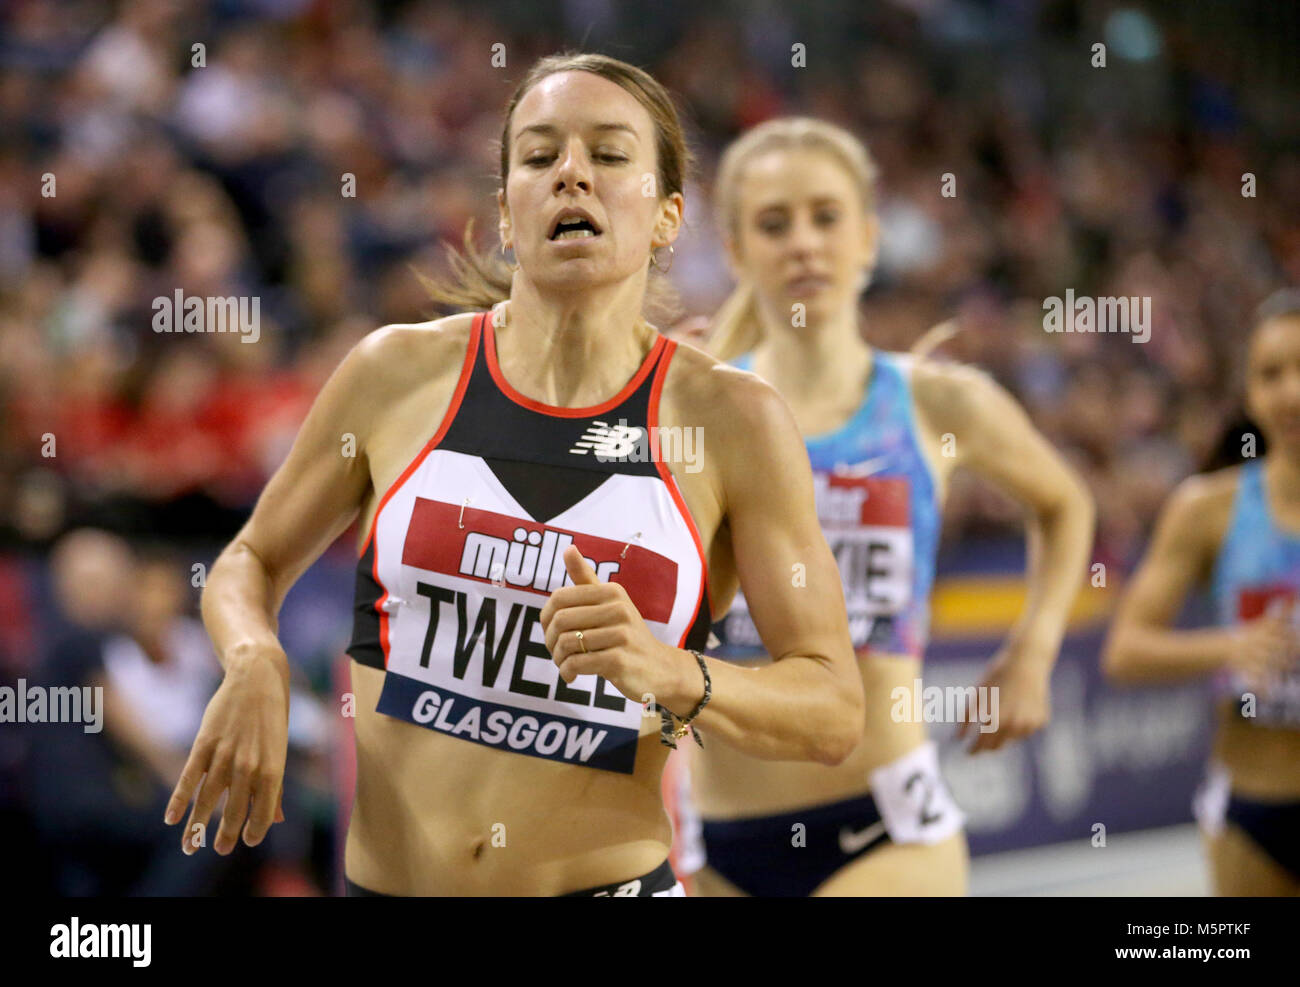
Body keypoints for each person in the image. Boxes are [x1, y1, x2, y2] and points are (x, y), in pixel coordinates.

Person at [165, 53, 865, 897]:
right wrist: (253, 658)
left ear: (668, 217)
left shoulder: (731, 420)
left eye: (608, 156)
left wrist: (674, 672)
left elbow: (832, 707)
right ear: (505, 210)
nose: (571, 174)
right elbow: (249, 562)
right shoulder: (396, 374)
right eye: (539, 157)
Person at [683, 117, 1095, 896]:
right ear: (736, 251)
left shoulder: (936, 401)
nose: (804, 242)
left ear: (869, 238)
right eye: (774, 223)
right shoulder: (695, 408)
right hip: (716, 845)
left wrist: (1033, 651)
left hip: (886, 834)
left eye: (826, 217)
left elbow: (1065, 501)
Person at [1104, 291, 1300, 896]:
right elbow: (1125, 652)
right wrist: (1230, 646)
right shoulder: (1205, 509)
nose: (1291, 392)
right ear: (1247, 392)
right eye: (1271, 374)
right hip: (1252, 810)